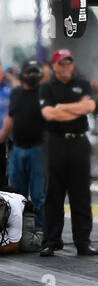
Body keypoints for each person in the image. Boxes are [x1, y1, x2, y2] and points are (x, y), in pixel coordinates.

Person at [38, 50, 98, 256]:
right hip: (56, 143)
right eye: (61, 63)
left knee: (81, 194)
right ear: (54, 66)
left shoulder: (82, 83)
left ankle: (83, 241)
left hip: (79, 142)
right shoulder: (46, 88)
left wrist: (62, 107)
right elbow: (48, 114)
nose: (65, 67)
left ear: (72, 65)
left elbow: (89, 106)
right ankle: (50, 241)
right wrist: (76, 108)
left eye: (68, 63)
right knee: (53, 194)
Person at [1, 59, 46, 231]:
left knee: (37, 194)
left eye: (35, 72)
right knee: (16, 194)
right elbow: (10, 119)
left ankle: (40, 231)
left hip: (38, 150)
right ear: (23, 74)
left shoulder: (44, 94)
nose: (32, 76)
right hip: (17, 149)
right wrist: (2, 136)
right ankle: (17, 232)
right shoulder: (16, 93)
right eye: (29, 72)